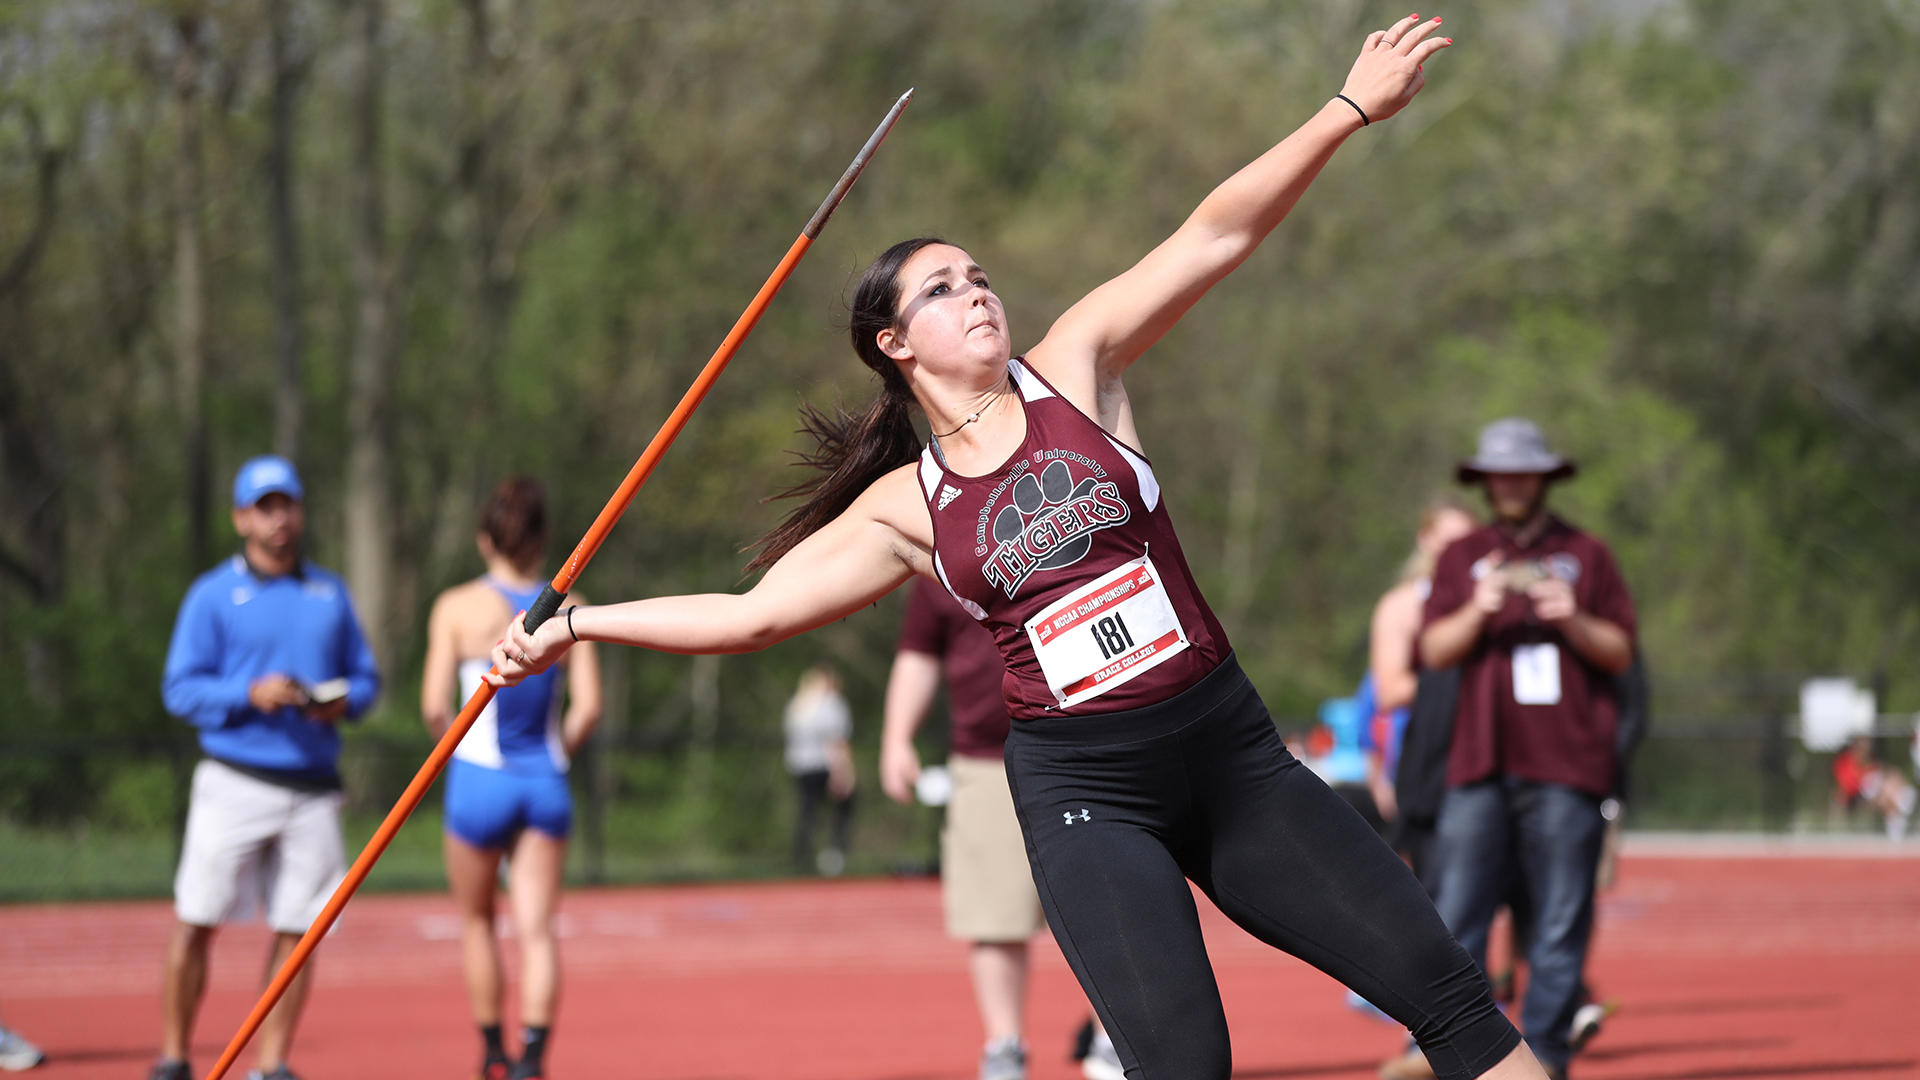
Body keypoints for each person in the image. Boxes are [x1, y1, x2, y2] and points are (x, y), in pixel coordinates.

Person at [491, 20, 1547, 1080]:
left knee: (1453, 999)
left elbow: (1214, 235)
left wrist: (1346, 110)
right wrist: (576, 623)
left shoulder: (1076, 365)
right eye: (941, 289)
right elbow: (749, 616)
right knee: (1186, 1067)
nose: (977, 291)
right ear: (894, 345)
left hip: (1233, 755)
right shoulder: (905, 506)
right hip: (1089, 792)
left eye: (979, 274)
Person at [1379, 419, 1636, 1080]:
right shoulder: (1464, 559)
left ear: (1545, 478)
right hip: (1478, 763)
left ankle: (1546, 1054)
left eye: (1524, 472)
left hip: (1567, 765)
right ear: (1485, 481)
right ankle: (1441, 1051)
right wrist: (1481, 608)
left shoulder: (1589, 553)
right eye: (1501, 474)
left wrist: (1571, 617)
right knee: (1455, 917)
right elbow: (1433, 651)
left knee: (1557, 923)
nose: (1513, 483)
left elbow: (1622, 651)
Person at [155, 456, 381, 1080]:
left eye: (287, 504)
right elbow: (180, 690)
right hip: (234, 780)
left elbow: (367, 683)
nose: (279, 518)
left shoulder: (329, 593)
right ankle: (174, 1057)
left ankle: (271, 1064)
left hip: (313, 788)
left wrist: (334, 702)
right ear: (241, 518)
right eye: (265, 506)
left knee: (298, 933)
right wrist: (246, 694)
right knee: (197, 919)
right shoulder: (211, 595)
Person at [881, 577, 1121, 1080]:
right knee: (994, 918)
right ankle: (1004, 1047)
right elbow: (919, 653)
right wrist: (897, 737)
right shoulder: (934, 561)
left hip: (1085, 747)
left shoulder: (1065, 528)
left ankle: (1113, 1040)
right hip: (986, 761)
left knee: (1106, 903)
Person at [421, 477, 603, 1080]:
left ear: (483, 538)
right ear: (544, 537)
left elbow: (431, 708)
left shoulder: (455, 607)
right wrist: (558, 753)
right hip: (543, 782)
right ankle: (531, 1059)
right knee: (537, 931)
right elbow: (589, 709)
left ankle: (493, 1052)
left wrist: (462, 755)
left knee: (478, 923)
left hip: (478, 781)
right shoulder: (570, 607)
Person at [1367, 499, 1479, 848]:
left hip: (1490, 757)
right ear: (1426, 539)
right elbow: (1390, 691)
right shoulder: (1401, 607)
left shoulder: (1488, 600)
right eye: (1449, 541)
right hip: (1431, 762)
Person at [785, 665, 856, 875]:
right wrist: (843, 771)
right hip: (825, 765)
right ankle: (835, 854)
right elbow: (837, 741)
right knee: (844, 808)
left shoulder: (796, 705)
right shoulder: (832, 704)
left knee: (807, 812)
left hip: (800, 767)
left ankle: (800, 858)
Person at [1832, 735, 1915, 841]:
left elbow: (1881, 771)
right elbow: (1848, 787)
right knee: (1881, 790)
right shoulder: (1845, 763)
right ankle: (1899, 806)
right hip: (1859, 795)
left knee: (1889, 781)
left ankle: (1898, 806)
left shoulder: (1871, 760)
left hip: (1876, 788)